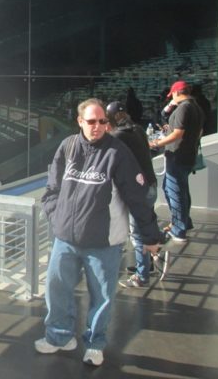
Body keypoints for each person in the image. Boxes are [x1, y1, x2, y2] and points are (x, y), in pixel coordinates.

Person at [37, 98, 163, 367]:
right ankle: (59, 337)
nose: (97, 127)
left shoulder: (118, 152)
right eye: (91, 122)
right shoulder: (68, 146)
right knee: (56, 291)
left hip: (103, 243)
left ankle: (95, 344)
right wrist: (55, 216)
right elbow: (52, 187)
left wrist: (151, 237)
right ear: (80, 122)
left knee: (102, 298)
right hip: (65, 239)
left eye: (102, 121)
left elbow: (137, 198)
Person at [106, 101, 165, 288]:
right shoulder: (138, 130)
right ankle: (148, 264)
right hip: (151, 186)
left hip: (139, 191)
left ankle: (142, 276)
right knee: (147, 224)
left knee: (138, 234)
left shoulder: (117, 137)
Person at [149, 81, 205, 242]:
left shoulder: (184, 108)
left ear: (176, 93)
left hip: (177, 155)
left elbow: (178, 133)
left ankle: (178, 229)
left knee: (174, 191)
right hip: (187, 155)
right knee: (180, 190)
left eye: (172, 95)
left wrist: (157, 143)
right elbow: (198, 131)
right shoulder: (196, 107)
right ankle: (183, 222)